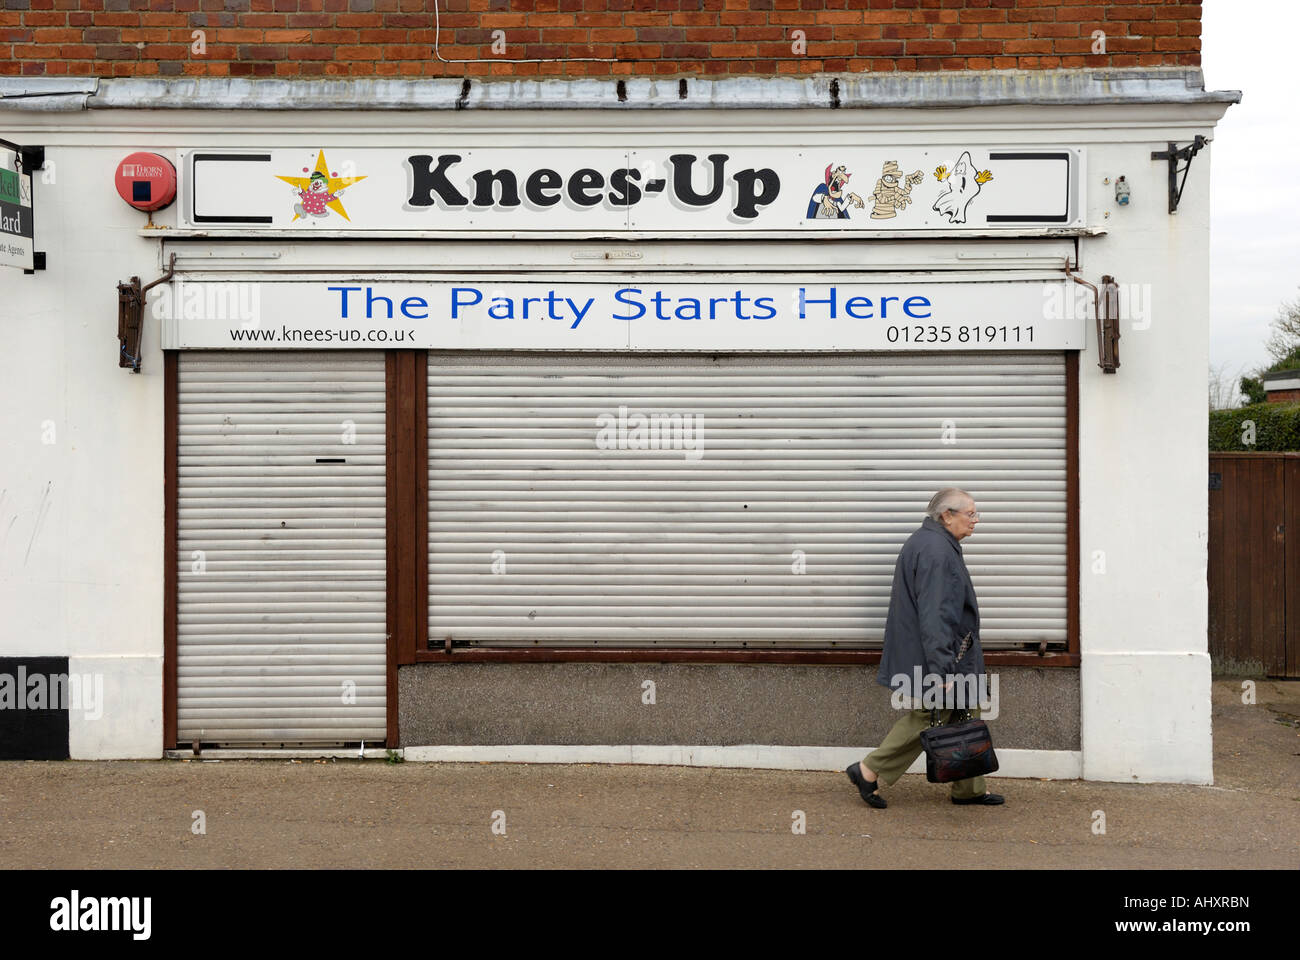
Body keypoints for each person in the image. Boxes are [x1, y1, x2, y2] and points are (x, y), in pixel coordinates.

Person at [845, 488, 1005, 808]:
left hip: (947, 652)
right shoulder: (937, 552)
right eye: (970, 514)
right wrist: (942, 668)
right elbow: (936, 615)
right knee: (930, 716)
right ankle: (868, 770)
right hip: (945, 656)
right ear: (947, 516)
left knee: (963, 713)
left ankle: (968, 789)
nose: (976, 520)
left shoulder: (928, 542)